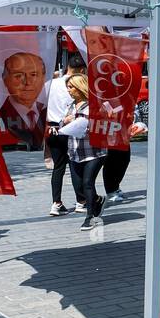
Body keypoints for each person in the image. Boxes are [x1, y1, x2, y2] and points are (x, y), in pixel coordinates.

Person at [61, 74, 105, 231]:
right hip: (75, 152)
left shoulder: (93, 105)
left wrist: (81, 123)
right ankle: (97, 200)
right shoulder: (70, 105)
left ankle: (91, 217)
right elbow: (63, 122)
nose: (69, 90)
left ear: (80, 87)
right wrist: (65, 122)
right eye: (68, 87)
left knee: (87, 183)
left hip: (94, 152)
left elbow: (100, 124)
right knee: (78, 187)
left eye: (71, 86)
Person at [46, 53, 86, 216]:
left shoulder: (51, 83)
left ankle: (56, 203)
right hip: (71, 127)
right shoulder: (79, 84)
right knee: (75, 165)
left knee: (58, 167)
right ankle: (81, 201)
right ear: (81, 69)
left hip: (52, 128)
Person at [0, 51, 48, 150]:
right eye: (18, 76)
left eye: (33, 75)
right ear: (5, 80)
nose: (27, 82)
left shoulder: (48, 111)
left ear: (43, 78)